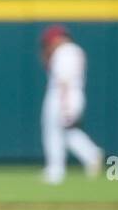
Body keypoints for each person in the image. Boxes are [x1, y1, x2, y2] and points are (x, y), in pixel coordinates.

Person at [39, 24, 104, 183]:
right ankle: (91, 154)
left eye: (50, 41)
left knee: (53, 132)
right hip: (75, 95)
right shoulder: (75, 50)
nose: (49, 45)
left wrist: (64, 102)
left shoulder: (64, 52)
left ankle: (56, 171)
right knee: (67, 132)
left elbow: (64, 80)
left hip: (62, 95)